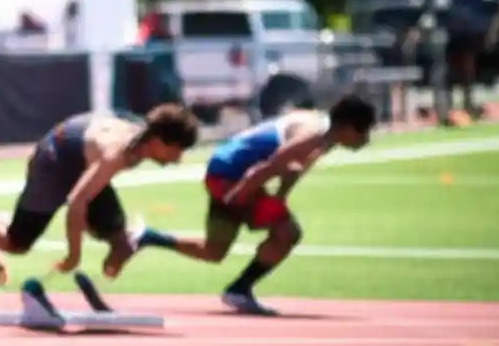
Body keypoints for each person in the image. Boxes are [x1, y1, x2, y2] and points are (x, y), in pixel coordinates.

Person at [133, 94, 377, 315]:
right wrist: (241, 193)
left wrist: (279, 197)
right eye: (363, 132)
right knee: (287, 232)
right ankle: (239, 290)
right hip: (233, 175)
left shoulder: (322, 132)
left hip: (221, 168)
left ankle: (149, 237)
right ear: (346, 127)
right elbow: (269, 166)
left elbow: (292, 169)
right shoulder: (313, 135)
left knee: (214, 251)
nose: (366, 140)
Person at [0, 105, 200, 281]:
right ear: (159, 141)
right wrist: (73, 256)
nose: (177, 159)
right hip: (53, 161)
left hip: (80, 159)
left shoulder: (139, 137)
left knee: (121, 243)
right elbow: (77, 203)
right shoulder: (117, 154)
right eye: (177, 150)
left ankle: (102, 277)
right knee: (17, 243)